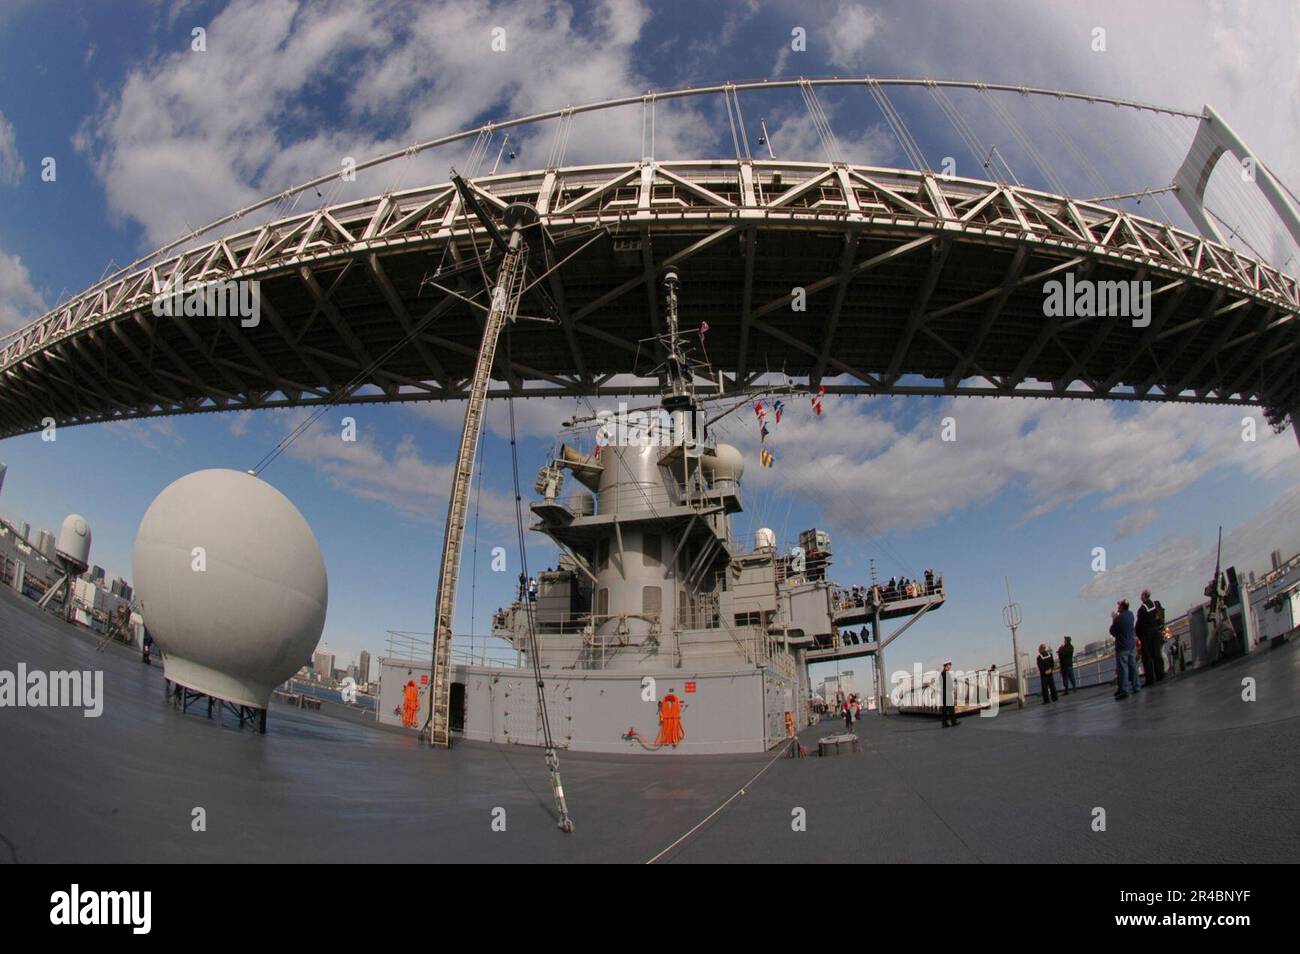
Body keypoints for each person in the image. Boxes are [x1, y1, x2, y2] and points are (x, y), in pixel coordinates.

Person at [1110, 599, 1140, 698]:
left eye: (1119, 606)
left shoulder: (1119, 619)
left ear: (1122, 607)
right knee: (1133, 666)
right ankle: (1136, 686)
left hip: (1122, 647)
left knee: (1123, 669)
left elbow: (1113, 631)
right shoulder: (1130, 614)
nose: (1118, 607)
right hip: (1131, 645)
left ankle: (1124, 689)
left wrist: (1114, 619)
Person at [1136, 589, 1164, 686]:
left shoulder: (1142, 609)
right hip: (1156, 633)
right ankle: (1160, 674)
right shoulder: (1155, 605)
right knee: (1157, 655)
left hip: (1147, 636)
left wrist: (1140, 636)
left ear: (1144, 596)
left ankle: (1150, 679)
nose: (1140, 597)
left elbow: (1139, 625)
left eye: (1141, 595)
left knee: (1147, 658)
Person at [940, 661, 959, 727]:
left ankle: (944, 723)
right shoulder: (946, 674)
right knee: (951, 709)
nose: (950, 667)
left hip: (943, 693)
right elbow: (948, 684)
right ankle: (953, 722)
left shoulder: (942, 673)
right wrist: (952, 689)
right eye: (949, 665)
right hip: (947, 693)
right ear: (946, 666)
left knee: (945, 709)